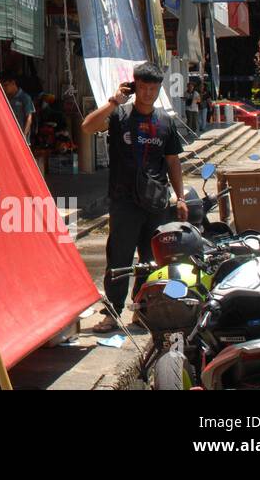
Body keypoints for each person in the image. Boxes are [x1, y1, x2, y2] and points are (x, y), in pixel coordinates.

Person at [81, 61, 186, 333]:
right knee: (119, 257)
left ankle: (141, 311)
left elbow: (173, 162)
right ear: (134, 87)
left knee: (150, 259)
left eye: (153, 88)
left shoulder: (165, 122)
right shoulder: (120, 117)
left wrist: (181, 197)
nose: (148, 93)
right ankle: (112, 312)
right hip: (124, 201)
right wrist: (114, 100)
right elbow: (88, 126)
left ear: (159, 89)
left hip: (156, 202)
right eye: (143, 87)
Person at [0, 71, 35, 145]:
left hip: (21, 139)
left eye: (6, 85)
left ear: (13, 83)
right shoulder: (6, 98)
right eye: (2, 86)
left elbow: (29, 119)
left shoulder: (25, 98)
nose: (4, 88)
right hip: (8, 138)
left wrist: (24, 135)